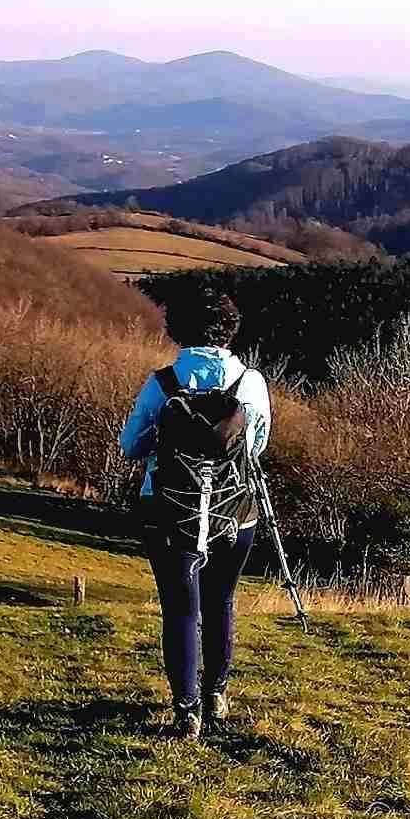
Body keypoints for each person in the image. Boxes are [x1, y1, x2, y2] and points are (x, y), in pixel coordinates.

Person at [121, 286, 271, 740]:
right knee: (221, 601)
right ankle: (217, 695)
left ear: (177, 329)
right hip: (234, 512)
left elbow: (131, 446)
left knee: (180, 610)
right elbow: (257, 447)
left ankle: (186, 710)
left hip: (169, 509)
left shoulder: (162, 383)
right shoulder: (251, 384)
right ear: (230, 331)